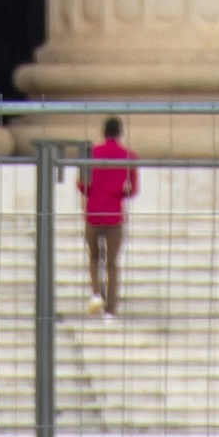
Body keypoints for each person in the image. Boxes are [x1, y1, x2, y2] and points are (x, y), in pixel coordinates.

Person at [80, 115, 137, 314]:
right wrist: (117, 193)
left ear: (104, 132)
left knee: (94, 258)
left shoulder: (90, 154)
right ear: (120, 132)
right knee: (112, 263)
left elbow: (82, 185)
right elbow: (133, 190)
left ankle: (97, 295)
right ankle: (111, 309)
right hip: (114, 214)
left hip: (93, 212)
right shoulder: (129, 156)